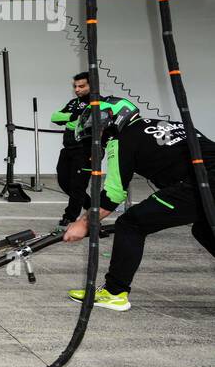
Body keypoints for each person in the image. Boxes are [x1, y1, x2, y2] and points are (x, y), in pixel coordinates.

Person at [63, 97, 215, 311]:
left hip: (201, 184)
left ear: (110, 122)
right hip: (204, 181)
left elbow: (113, 195)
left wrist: (84, 223)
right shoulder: (171, 125)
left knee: (131, 223)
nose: (98, 138)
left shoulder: (122, 139)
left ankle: (114, 293)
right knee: (204, 228)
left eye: (97, 132)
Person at [51, 72, 92, 231]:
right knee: (63, 181)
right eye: (75, 86)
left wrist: (69, 120)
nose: (77, 89)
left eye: (81, 86)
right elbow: (55, 117)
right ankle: (94, 208)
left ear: (91, 85)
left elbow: (84, 124)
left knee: (78, 186)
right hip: (68, 149)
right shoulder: (73, 103)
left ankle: (69, 218)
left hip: (85, 150)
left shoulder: (99, 103)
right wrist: (74, 117)